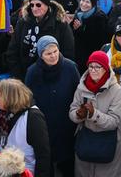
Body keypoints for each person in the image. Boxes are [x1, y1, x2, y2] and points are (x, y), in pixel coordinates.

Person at [25, 36, 80, 177]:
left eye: (55, 51)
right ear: (41, 55)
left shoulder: (70, 67)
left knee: (68, 163)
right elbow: (28, 99)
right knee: (45, 162)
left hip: (67, 124)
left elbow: (78, 93)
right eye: (48, 53)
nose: (53, 56)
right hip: (43, 125)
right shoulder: (32, 72)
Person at [69, 51, 121, 177]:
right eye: (90, 66)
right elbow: (72, 111)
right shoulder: (81, 87)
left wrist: (94, 115)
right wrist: (78, 115)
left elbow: (114, 121)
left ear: (105, 68)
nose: (93, 70)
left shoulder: (116, 90)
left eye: (97, 67)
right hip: (86, 142)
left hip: (108, 143)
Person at [0, 79, 51, 177]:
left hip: (26, 173)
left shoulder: (33, 117)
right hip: (2, 171)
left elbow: (43, 155)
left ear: (10, 98)